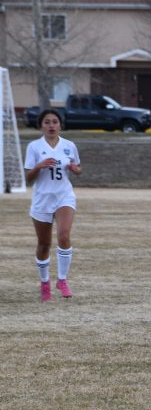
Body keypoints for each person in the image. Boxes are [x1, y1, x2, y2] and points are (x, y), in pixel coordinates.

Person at [24, 109, 82, 301]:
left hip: (64, 196)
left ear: (60, 125)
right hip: (42, 198)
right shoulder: (34, 147)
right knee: (44, 245)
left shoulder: (69, 145)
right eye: (47, 122)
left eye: (55, 122)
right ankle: (45, 282)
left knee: (64, 236)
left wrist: (75, 169)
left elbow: (78, 168)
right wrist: (39, 166)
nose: (51, 125)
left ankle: (62, 280)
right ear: (41, 125)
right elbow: (28, 178)